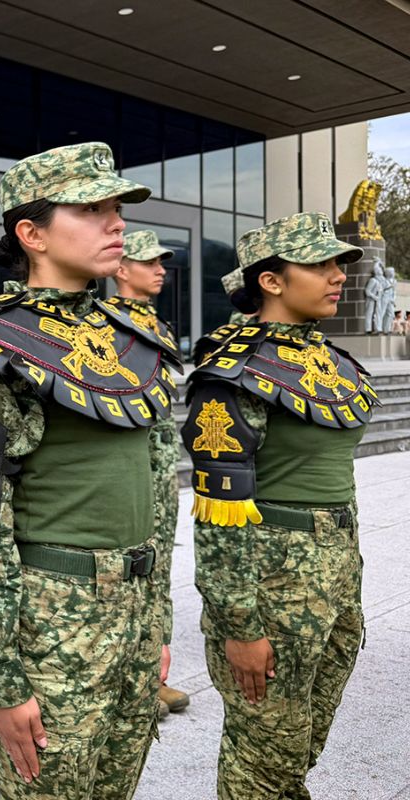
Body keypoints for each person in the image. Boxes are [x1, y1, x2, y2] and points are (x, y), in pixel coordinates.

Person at [0, 143, 181, 798]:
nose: (115, 223)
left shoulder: (133, 340)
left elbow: (160, 490)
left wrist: (158, 623)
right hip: (53, 629)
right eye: (92, 209)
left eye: (116, 208)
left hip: (135, 615)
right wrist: (2, 685)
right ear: (31, 233)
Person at [184, 212, 375, 799]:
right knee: (263, 755)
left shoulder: (331, 362)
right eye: (318, 264)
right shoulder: (235, 373)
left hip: (336, 579)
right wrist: (241, 626)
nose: (337, 275)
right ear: (271, 281)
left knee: (299, 744)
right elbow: (217, 518)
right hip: (274, 589)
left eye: (339, 263)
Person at [107, 229, 192, 719]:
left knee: (157, 571)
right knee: (130, 570)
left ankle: (150, 672)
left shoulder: (157, 324)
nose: (161, 269)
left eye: (162, 262)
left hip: (162, 466)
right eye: (149, 262)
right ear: (122, 269)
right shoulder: (108, 323)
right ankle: (125, 676)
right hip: (132, 462)